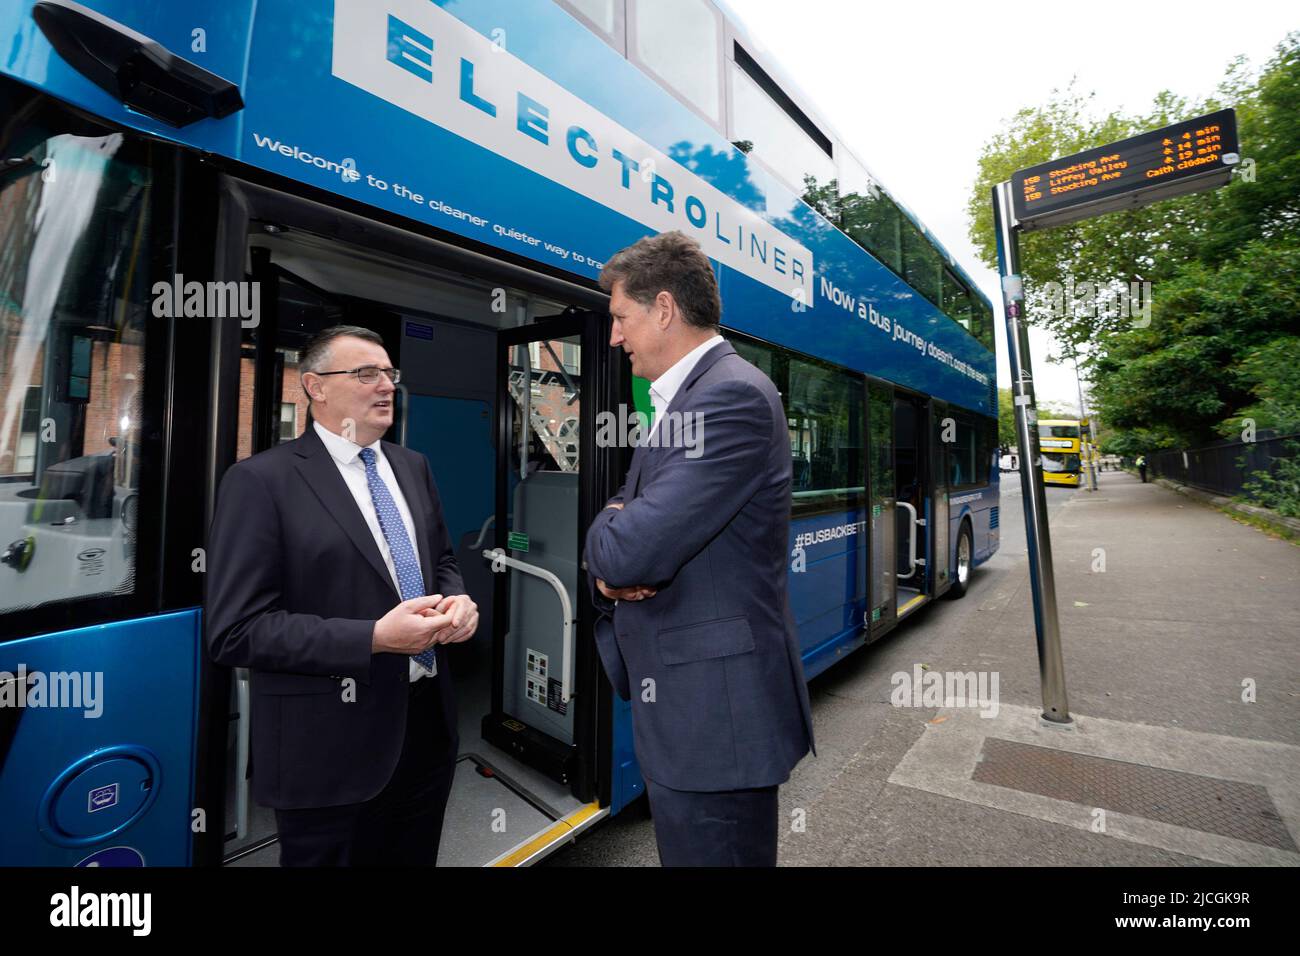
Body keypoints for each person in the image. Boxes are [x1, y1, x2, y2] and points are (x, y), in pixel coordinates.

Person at [205, 325, 478, 866]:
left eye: (390, 374)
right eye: (365, 373)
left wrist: (458, 601)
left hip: (425, 728)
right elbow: (235, 630)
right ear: (314, 387)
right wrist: (374, 638)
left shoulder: (411, 466)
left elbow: (441, 561)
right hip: (326, 749)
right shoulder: (260, 482)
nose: (385, 386)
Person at [583, 231, 814, 867]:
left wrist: (612, 541)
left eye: (621, 318)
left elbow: (628, 552)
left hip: (717, 723)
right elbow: (629, 536)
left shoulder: (727, 396)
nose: (614, 337)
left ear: (663, 309)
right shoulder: (689, 396)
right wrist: (617, 540)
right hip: (696, 713)